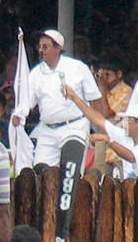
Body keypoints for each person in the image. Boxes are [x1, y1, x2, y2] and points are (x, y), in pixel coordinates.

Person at [9, 28, 105, 166]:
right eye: (40, 47)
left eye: (45, 47)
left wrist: (101, 129)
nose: (41, 50)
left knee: (71, 171)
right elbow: (26, 102)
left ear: (58, 48)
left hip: (74, 127)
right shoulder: (35, 73)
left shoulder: (78, 67)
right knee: (41, 170)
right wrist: (19, 114)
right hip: (47, 130)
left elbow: (95, 99)